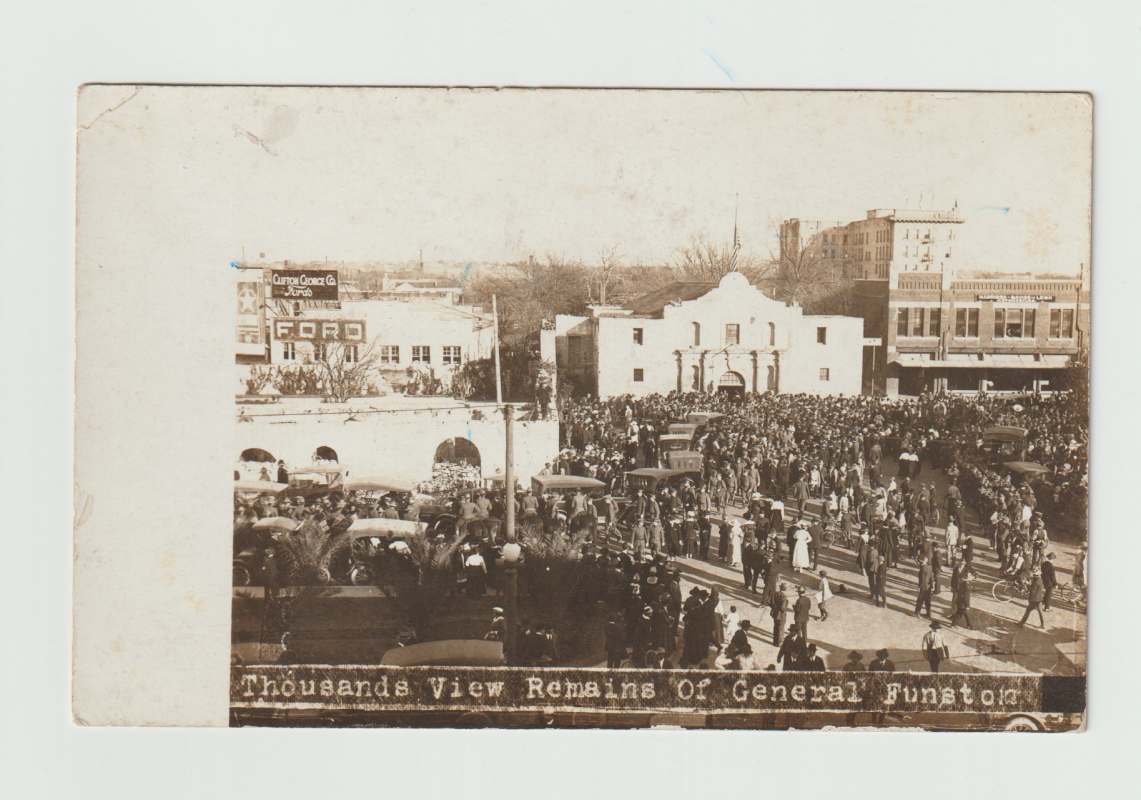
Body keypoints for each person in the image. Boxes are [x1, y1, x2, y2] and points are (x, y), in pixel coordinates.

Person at [770, 583, 789, 647]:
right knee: (780, 629)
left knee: (775, 627)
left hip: (775, 613)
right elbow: (782, 608)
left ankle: (775, 641)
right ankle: (779, 643)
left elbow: (771, 602)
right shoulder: (784, 597)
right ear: (785, 589)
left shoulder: (776, 593)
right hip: (781, 615)